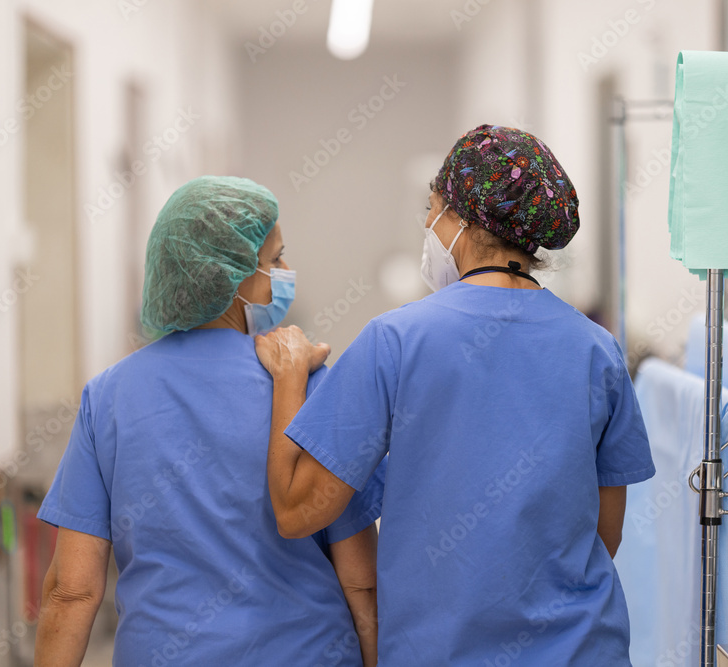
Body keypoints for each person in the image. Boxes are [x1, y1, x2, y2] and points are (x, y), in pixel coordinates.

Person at [254, 125, 655, 665]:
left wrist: (288, 379)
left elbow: (297, 511)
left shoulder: (394, 341)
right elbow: (605, 534)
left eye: (432, 206)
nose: (426, 222)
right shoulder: (598, 351)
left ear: (464, 219)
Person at [34, 176, 384, 667]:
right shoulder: (305, 383)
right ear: (235, 274)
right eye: (276, 259)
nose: (287, 272)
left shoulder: (108, 397)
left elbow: (71, 592)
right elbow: (360, 578)